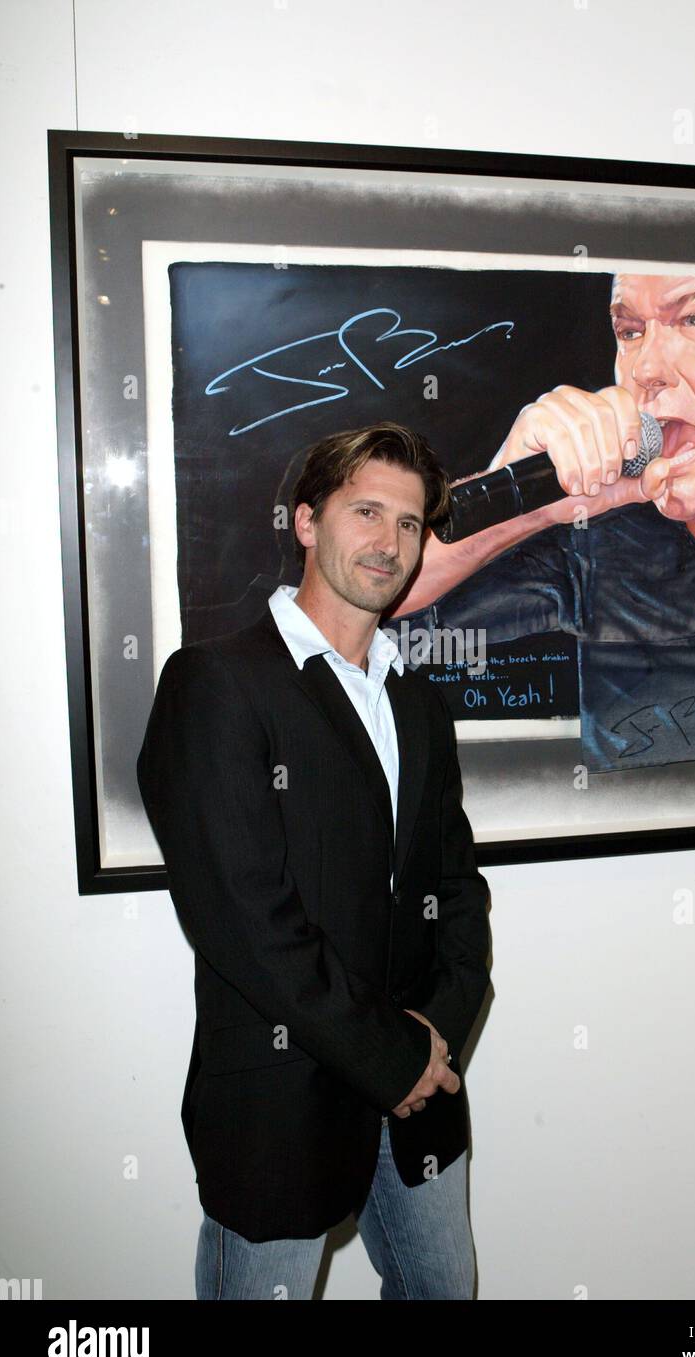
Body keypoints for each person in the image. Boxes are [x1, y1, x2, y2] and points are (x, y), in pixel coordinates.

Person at [136, 422, 491, 1300]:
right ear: (304, 523)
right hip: (283, 1099)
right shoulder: (215, 683)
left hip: (418, 1090)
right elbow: (247, 922)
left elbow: (455, 885)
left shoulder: (415, 700)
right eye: (365, 511)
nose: (389, 543)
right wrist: (393, 1058)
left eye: (409, 524)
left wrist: (438, 1034)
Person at [387, 273, 695, 772]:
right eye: (630, 333)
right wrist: (521, 501)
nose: (645, 369)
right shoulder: (602, 547)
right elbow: (363, 624)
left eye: (693, 319)